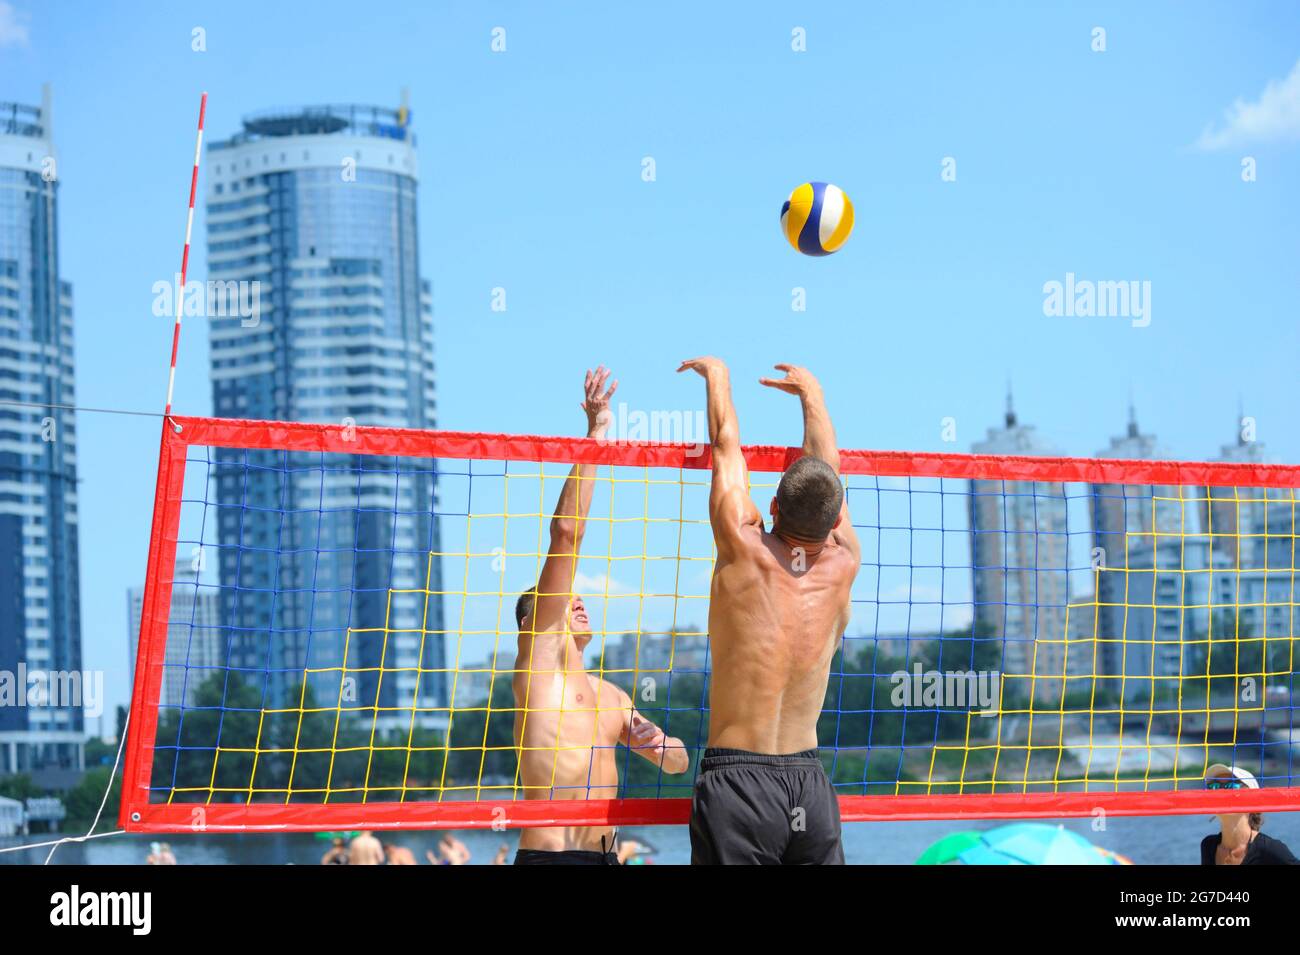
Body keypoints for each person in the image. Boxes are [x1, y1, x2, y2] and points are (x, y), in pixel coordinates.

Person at [678, 359, 859, 865]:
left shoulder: (743, 547)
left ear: (772, 507)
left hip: (740, 785)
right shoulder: (845, 564)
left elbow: (724, 448)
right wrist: (813, 394)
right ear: (835, 521)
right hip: (809, 786)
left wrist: (717, 376)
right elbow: (828, 473)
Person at [512, 366, 690, 865]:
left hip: (606, 858)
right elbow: (566, 534)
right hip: (551, 858)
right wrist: (595, 437)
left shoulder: (612, 696)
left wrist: (660, 742)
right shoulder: (539, 666)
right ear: (535, 625)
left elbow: (676, 765)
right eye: (564, 603)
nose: (577, 603)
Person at [1200, 764, 1298, 865]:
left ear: (1252, 798)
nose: (1221, 792)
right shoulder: (1208, 845)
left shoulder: (1270, 849)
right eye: (1214, 787)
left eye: (1231, 786)